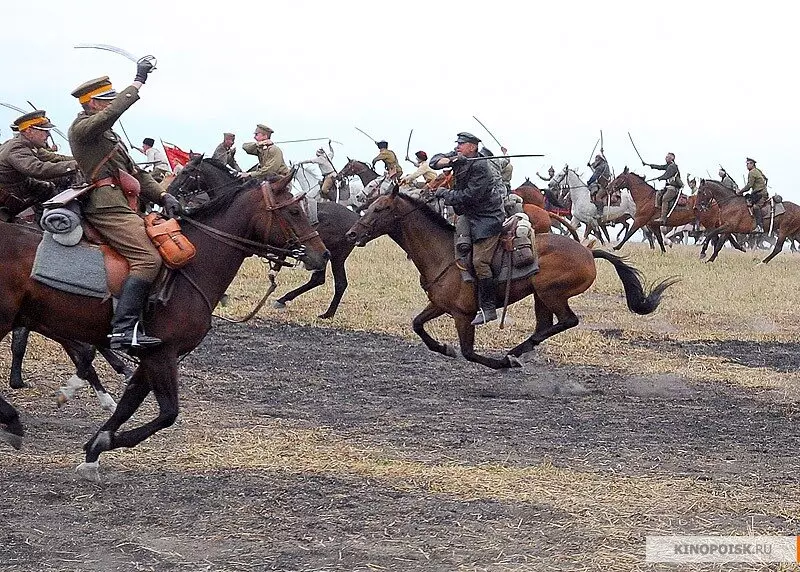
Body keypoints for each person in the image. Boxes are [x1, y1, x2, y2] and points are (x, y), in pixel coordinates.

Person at [68, 64, 181, 351]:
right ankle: (123, 329)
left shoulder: (108, 137)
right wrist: (138, 81)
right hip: (106, 208)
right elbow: (111, 114)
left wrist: (162, 195)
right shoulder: (83, 130)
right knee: (149, 258)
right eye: (106, 101)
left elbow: (136, 173)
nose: (110, 106)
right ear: (93, 103)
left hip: (124, 204)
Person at [430, 132, 505, 326]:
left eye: (461, 144)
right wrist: (447, 161)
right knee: (457, 250)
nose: (458, 146)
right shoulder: (459, 156)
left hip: (486, 217)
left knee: (480, 261)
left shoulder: (481, 167)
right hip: (468, 214)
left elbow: (469, 195)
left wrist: (445, 193)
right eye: (458, 144)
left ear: (472, 147)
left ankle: (488, 308)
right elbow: (434, 161)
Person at [0, 110, 78, 222]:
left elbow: (55, 158)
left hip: (21, 187)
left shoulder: (27, 145)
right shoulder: (16, 148)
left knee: (51, 189)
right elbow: (38, 170)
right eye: (44, 131)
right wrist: (75, 166)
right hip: (10, 197)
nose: (48, 135)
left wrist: (81, 160)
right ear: (29, 131)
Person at [645, 152, 683, 224]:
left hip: (673, 188)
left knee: (665, 199)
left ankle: (663, 218)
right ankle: (659, 212)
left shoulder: (672, 166)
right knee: (658, 194)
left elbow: (667, 175)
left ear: (672, 158)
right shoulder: (668, 166)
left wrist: (660, 178)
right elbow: (660, 167)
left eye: (668, 157)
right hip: (668, 187)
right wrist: (649, 165)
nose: (666, 158)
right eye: (666, 157)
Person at [740, 157, 768, 232]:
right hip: (758, 192)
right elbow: (766, 178)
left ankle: (760, 226)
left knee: (756, 207)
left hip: (761, 194)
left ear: (752, 164)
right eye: (746, 164)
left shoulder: (752, 172)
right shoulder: (758, 170)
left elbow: (749, 186)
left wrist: (740, 192)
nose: (747, 166)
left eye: (748, 164)